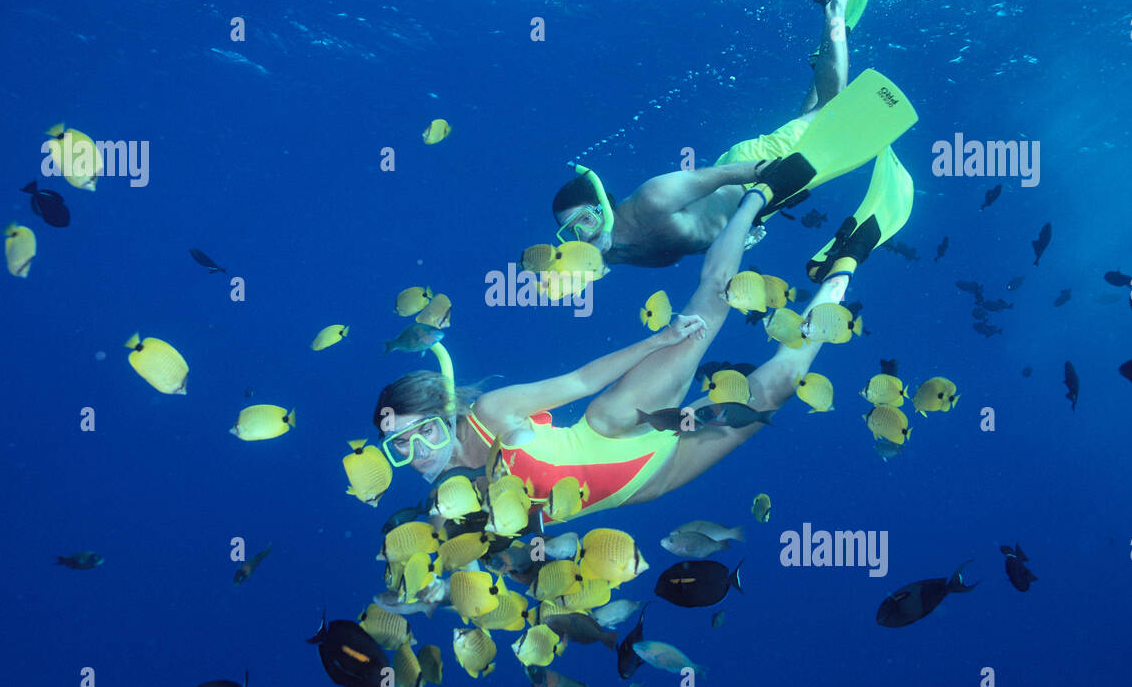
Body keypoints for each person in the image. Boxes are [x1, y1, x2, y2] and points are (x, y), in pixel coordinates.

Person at [374, 148, 905, 519]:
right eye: (402, 446)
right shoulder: (444, 511)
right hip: (651, 481)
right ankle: (844, 263)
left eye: (425, 431)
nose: (419, 450)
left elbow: (580, 381)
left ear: (447, 416)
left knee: (712, 303)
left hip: (613, 424)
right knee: (774, 393)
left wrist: (657, 340)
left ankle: (757, 196)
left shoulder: (488, 414)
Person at [552, 0, 912, 269]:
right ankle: (830, 46)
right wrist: (744, 229)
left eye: (583, 220)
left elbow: (723, 174)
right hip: (756, 203)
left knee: (834, 112)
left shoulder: (652, 200)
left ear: (602, 206)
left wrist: (775, 175)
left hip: (751, 172)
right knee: (815, 114)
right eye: (570, 232)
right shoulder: (612, 254)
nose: (581, 235)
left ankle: (836, 5)